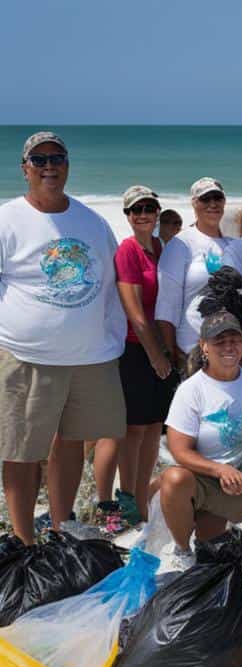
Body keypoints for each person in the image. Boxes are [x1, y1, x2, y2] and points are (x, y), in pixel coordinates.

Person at [0, 132, 127, 543]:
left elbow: (111, 282)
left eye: (57, 158)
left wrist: (112, 339)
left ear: (68, 165)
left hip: (89, 358)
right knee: (21, 450)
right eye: (39, 160)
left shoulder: (92, 221)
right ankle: (23, 541)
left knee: (72, 443)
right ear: (25, 169)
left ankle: (60, 529)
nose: (49, 166)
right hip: (26, 356)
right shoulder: (7, 219)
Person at [157, 312, 242, 564]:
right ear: (204, 347)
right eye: (220, 341)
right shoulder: (190, 390)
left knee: (214, 553)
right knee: (173, 479)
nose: (229, 347)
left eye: (235, 340)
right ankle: (181, 551)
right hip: (203, 482)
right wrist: (220, 470)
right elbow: (180, 451)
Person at [92, 184, 177, 526]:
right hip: (133, 348)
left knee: (154, 428)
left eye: (148, 208)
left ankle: (139, 503)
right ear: (127, 215)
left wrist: (167, 351)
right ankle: (118, 503)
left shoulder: (160, 247)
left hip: (160, 347)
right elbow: (135, 314)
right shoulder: (128, 250)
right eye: (136, 209)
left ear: (157, 213)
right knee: (131, 431)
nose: (143, 214)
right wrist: (157, 356)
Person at [155, 177, 242, 366]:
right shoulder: (180, 244)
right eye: (205, 199)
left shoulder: (235, 245)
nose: (212, 204)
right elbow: (166, 306)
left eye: (217, 198)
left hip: (232, 352)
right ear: (194, 203)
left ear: (224, 202)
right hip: (192, 350)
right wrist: (171, 353)